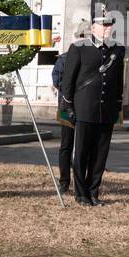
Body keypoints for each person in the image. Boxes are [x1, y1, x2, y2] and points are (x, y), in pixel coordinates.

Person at [60, 9, 125, 206]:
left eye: (110, 25)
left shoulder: (118, 50)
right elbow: (68, 82)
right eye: (104, 25)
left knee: (100, 155)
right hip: (84, 108)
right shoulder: (78, 48)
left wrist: (118, 106)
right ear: (93, 28)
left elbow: (118, 81)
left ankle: (93, 192)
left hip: (106, 111)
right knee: (81, 153)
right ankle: (81, 194)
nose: (108, 28)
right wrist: (69, 107)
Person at [50, 19, 89, 194]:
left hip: (85, 108)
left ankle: (79, 183)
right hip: (67, 107)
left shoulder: (94, 58)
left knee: (82, 147)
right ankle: (64, 181)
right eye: (83, 36)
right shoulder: (65, 58)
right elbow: (57, 80)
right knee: (67, 145)